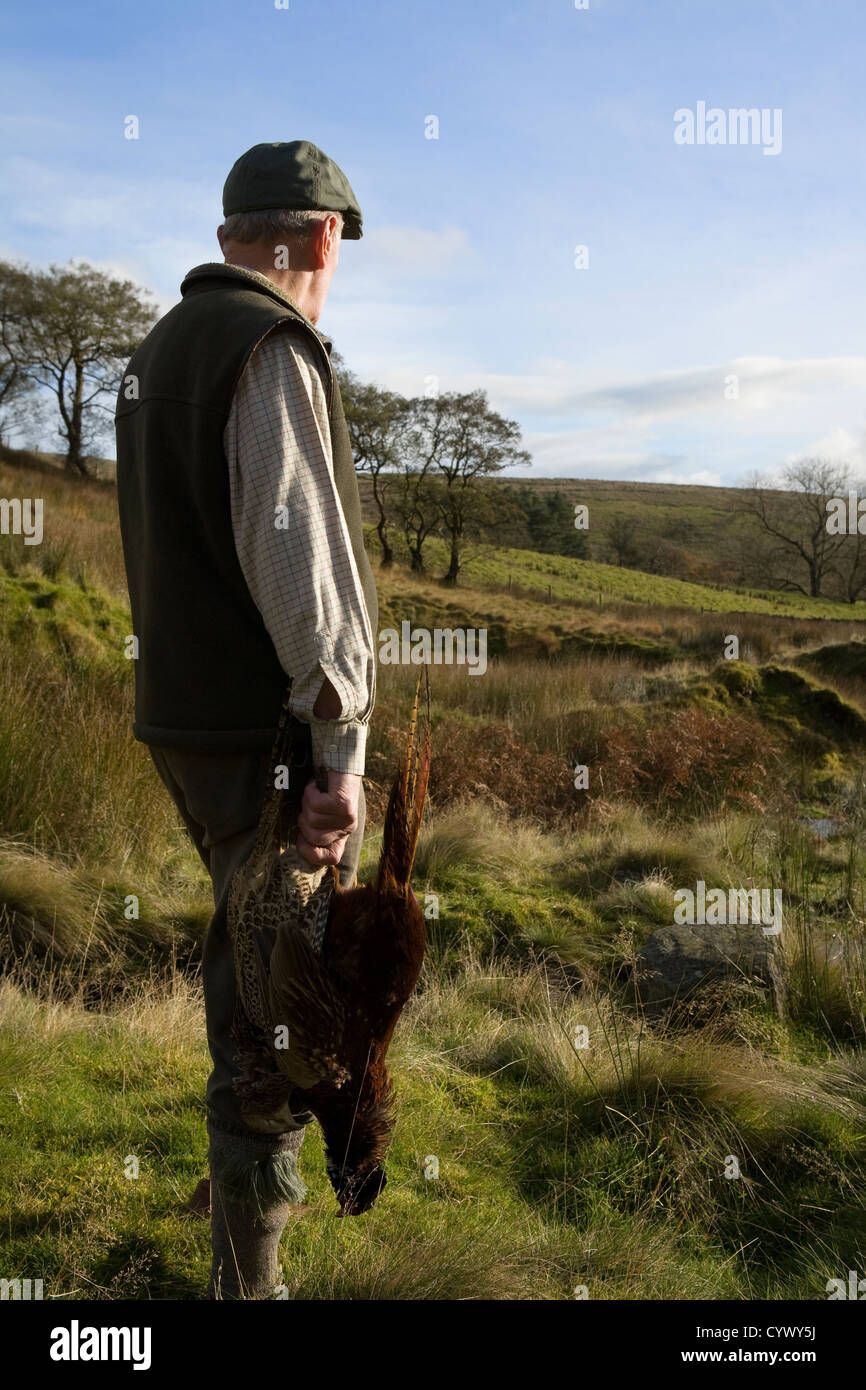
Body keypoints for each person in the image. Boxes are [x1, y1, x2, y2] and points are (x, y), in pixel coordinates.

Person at [114, 140, 378, 1298]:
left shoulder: (160, 346)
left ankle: (235, 1210)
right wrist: (335, 756)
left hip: (187, 727)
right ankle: (249, 1280)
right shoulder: (270, 348)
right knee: (280, 1018)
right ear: (321, 238)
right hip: (267, 748)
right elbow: (298, 570)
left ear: (233, 233)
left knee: (250, 969)